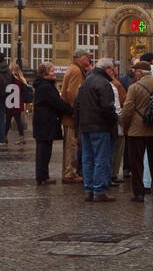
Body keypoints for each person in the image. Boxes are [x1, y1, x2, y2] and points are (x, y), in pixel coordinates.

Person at [120, 61, 153, 202]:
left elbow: (128, 109)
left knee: (136, 163)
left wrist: (125, 124)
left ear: (139, 72)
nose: (133, 74)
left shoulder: (134, 87)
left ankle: (138, 193)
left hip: (136, 131)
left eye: (134, 71)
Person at [76, 57, 118, 201]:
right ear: (107, 69)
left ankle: (88, 189)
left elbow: (77, 106)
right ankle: (99, 190)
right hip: (100, 126)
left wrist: (78, 127)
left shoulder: (85, 82)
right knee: (101, 159)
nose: (113, 72)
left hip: (85, 126)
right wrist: (113, 120)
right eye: (112, 69)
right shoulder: (104, 83)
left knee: (87, 159)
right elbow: (107, 107)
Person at [31, 62, 71, 184]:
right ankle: (42, 177)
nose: (55, 73)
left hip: (43, 123)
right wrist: (71, 110)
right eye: (52, 71)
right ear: (45, 74)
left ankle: (43, 176)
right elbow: (57, 103)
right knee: (44, 152)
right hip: (45, 123)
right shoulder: (46, 87)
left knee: (44, 151)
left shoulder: (44, 86)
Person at [59, 49, 91, 183]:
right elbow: (73, 94)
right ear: (79, 58)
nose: (89, 59)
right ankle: (69, 173)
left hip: (70, 116)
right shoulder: (76, 71)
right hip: (72, 117)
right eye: (86, 57)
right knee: (71, 146)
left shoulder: (75, 69)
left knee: (70, 145)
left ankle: (69, 171)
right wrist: (77, 113)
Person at [4, 63, 28, 145]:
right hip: (18, 103)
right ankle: (22, 138)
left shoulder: (9, 78)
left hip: (9, 102)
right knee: (18, 122)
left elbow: (6, 89)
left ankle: (4, 137)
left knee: (7, 121)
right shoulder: (21, 79)